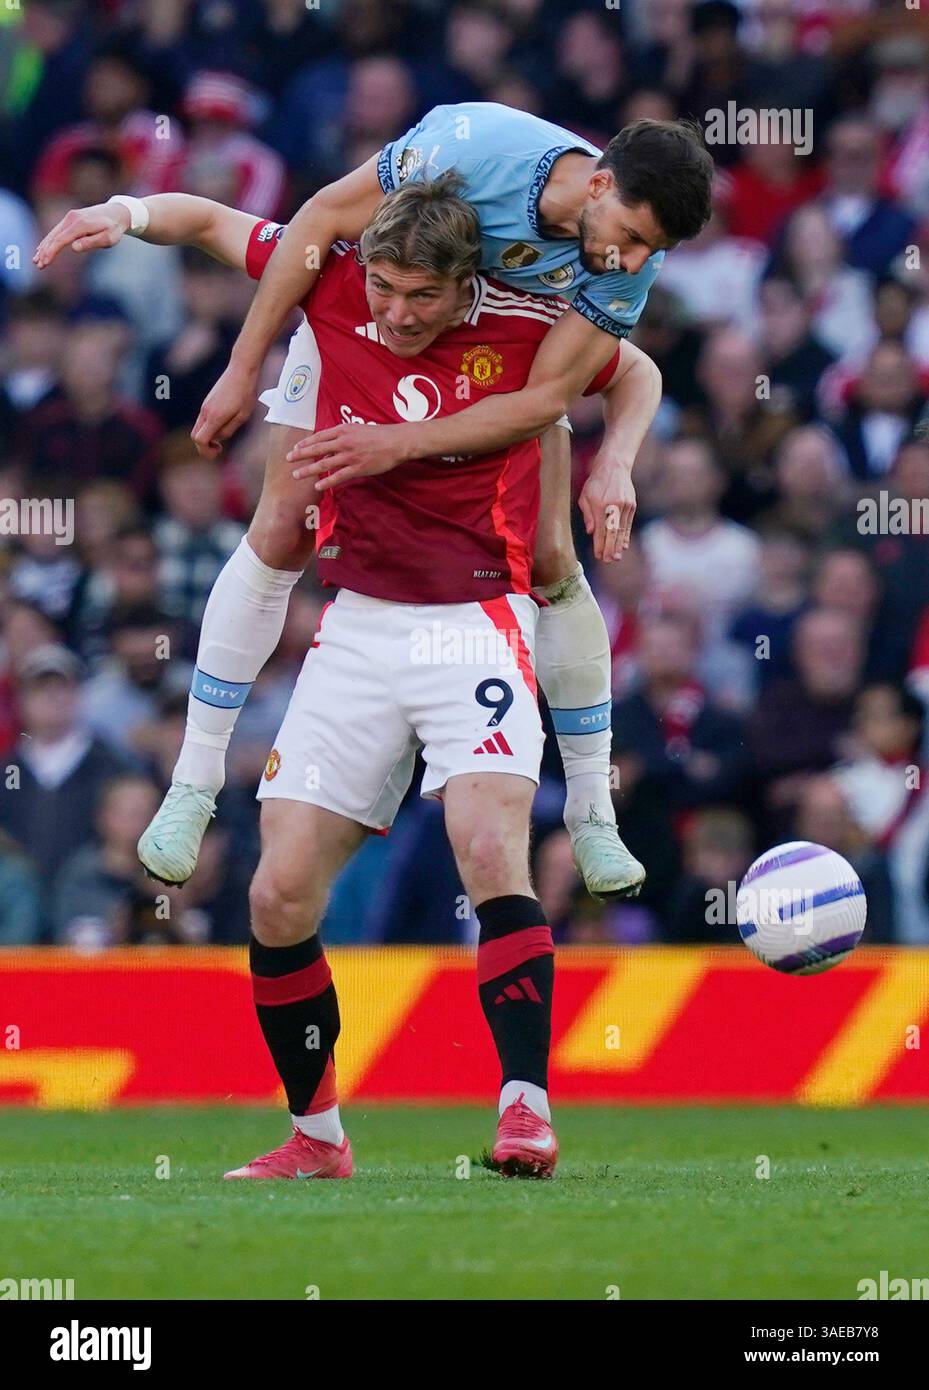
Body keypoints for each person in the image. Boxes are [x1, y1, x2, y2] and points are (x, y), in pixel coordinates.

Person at [36, 169, 668, 902]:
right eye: (384, 289)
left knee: (552, 558)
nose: (399, 315)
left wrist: (614, 464)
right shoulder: (333, 277)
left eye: (421, 295)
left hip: (496, 404)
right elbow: (209, 221)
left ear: (463, 284)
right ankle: (193, 785)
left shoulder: (524, 313)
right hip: (341, 365)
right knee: (279, 530)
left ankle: (593, 811)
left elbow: (636, 371)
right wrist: (124, 209)